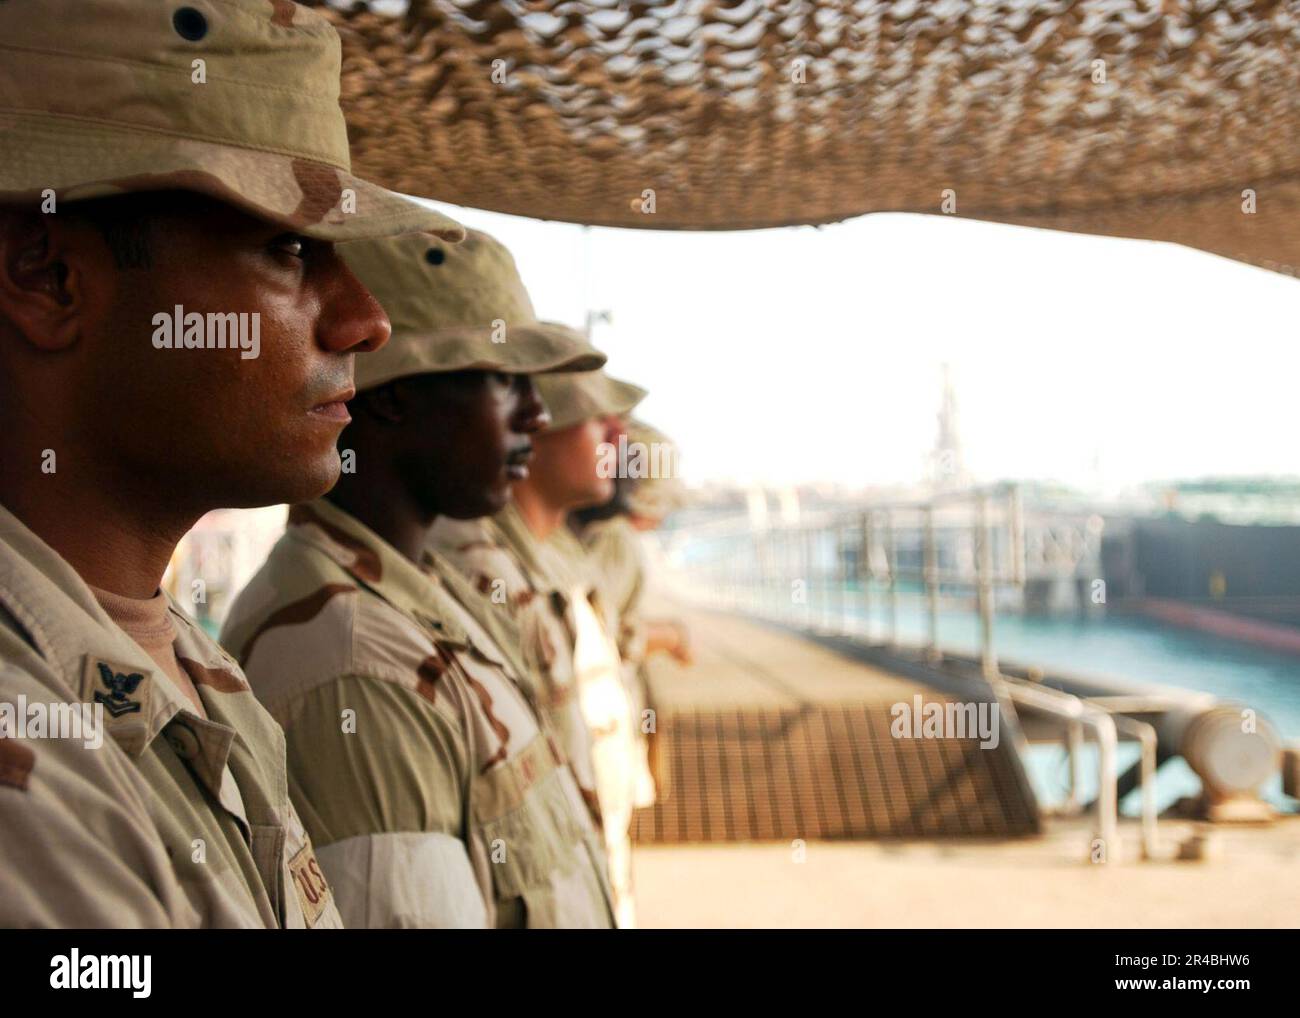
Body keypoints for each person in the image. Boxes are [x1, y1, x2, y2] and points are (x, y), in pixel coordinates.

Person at [0, 0, 463, 927]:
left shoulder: (191, 671)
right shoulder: (30, 759)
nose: (366, 322)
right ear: (50, 280)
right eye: (288, 248)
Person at [220, 228, 616, 928]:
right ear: (398, 395)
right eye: (503, 378)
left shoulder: (425, 597)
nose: (537, 413)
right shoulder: (357, 662)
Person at [431, 368, 647, 927]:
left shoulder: (553, 565)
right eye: (596, 419)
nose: (619, 441)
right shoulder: (476, 574)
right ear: (537, 424)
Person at [573, 419, 693, 805]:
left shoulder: (605, 536)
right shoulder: (616, 541)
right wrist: (671, 636)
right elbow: (601, 636)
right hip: (600, 726)